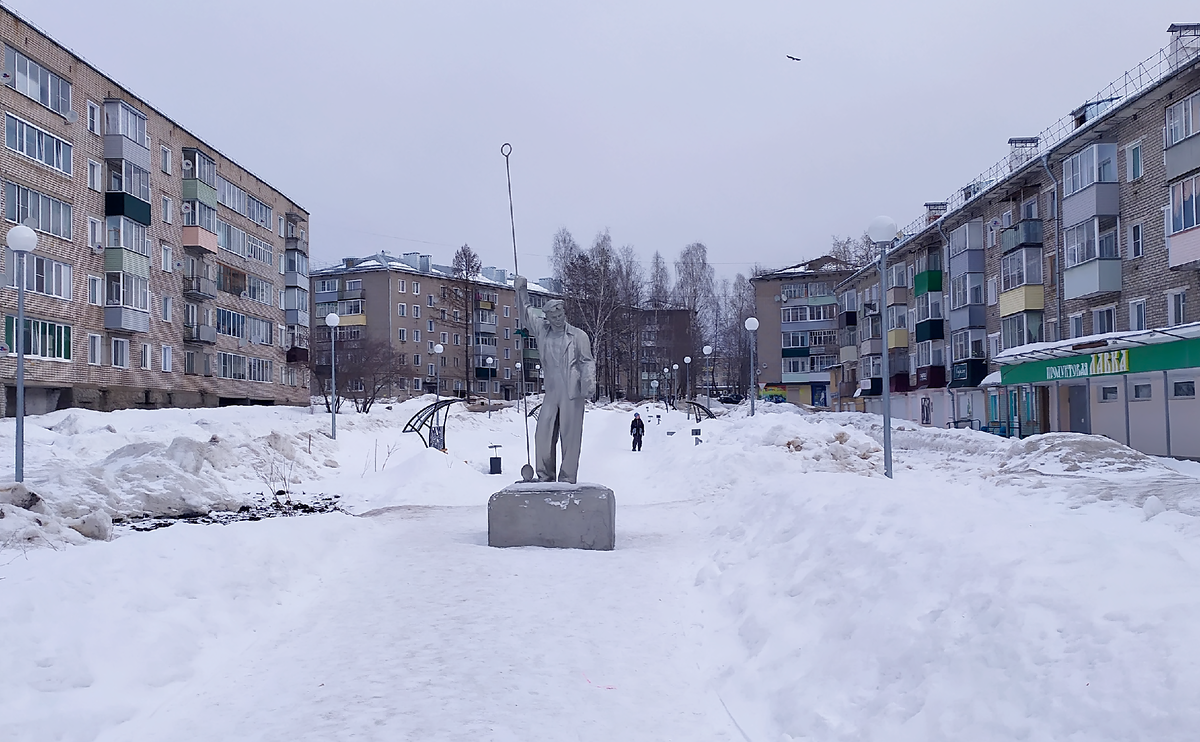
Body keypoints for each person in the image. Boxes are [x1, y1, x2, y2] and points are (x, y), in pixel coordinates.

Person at [514, 276, 596, 483]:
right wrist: (521, 290)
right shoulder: (542, 331)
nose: (558, 318)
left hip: (572, 392)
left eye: (560, 314)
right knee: (543, 434)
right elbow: (526, 314)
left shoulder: (578, 336)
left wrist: (588, 382)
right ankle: (545, 477)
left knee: (570, 438)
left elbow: (587, 361)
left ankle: (567, 479)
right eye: (553, 316)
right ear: (548, 318)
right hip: (551, 393)